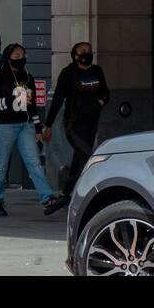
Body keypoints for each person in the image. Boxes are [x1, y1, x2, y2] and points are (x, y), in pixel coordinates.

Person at [0, 43, 57, 217]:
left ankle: (47, 198)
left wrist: (38, 127)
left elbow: (31, 107)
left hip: (25, 125)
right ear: (8, 57)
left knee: (33, 162)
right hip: (4, 126)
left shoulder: (28, 77)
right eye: (16, 56)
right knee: (1, 165)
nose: (20, 59)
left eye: (22, 55)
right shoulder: (1, 77)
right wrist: (13, 100)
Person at [41, 41, 110, 214]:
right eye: (82, 51)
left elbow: (106, 92)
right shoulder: (68, 74)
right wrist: (47, 125)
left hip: (91, 123)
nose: (86, 53)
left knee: (78, 161)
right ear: (75, 55)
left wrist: (101, 102)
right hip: (73, 125)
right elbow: (57, 100)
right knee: (89, 157)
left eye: (88, 50)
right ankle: (95, 196)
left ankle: (65, 194)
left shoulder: (97, 71)